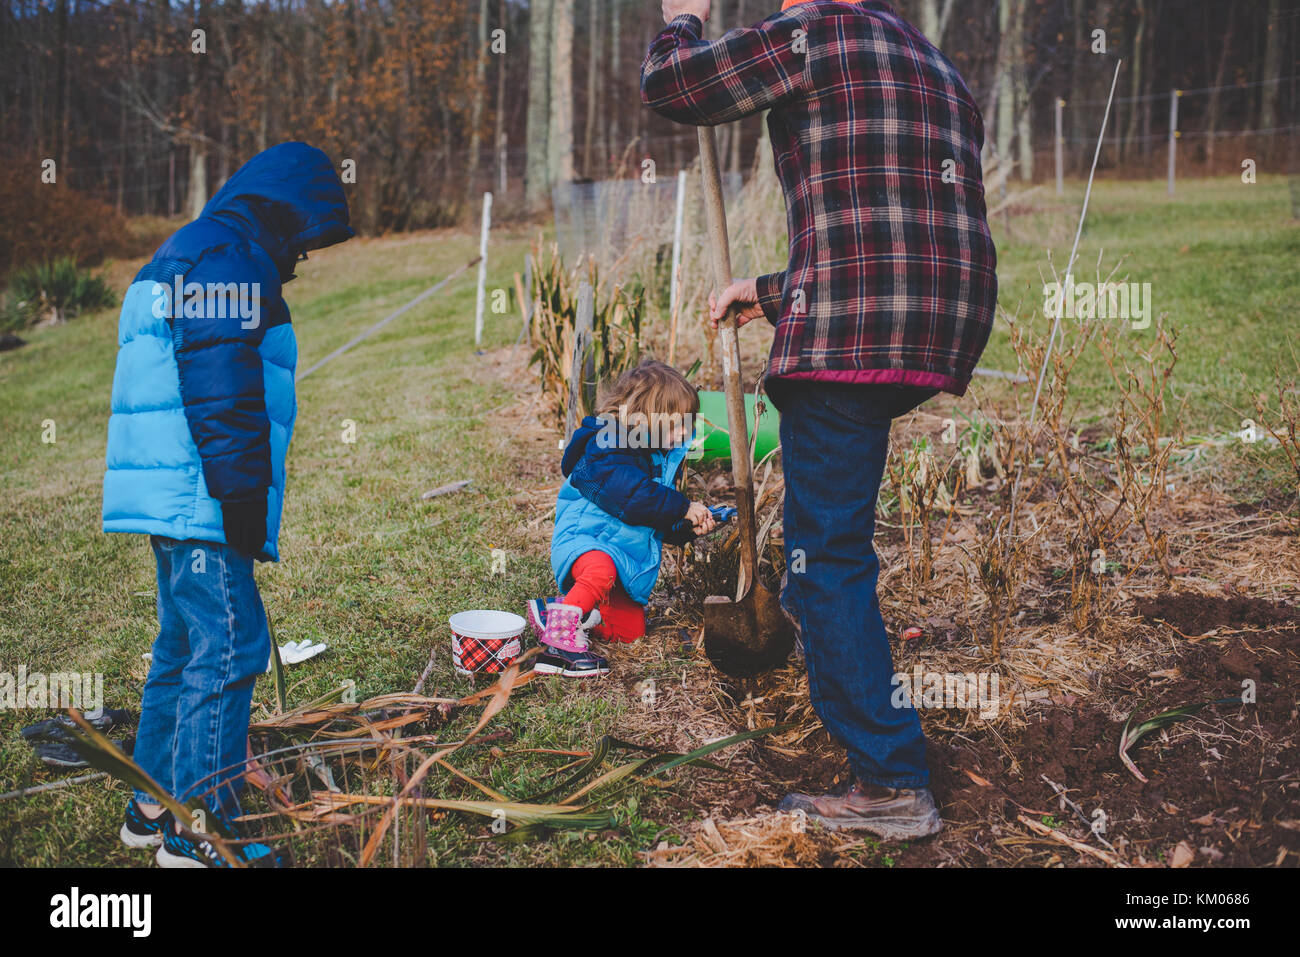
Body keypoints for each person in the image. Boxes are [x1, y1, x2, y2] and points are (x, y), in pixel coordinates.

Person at [642, 0, 998, 838]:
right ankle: (862, 708)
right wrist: (768, 295)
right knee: (830, 541)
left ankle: (890, 780)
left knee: (824, 555)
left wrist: (684, 21)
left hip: (854, 332)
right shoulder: (928, 59)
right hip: (934, 323)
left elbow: (677, 86)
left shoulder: (815, 31)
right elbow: (883, 217)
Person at [103, 142, 354, 866]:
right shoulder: (226, 257)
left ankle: (150, 804)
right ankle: (201, 830)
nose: (302, 260)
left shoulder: (200, 248)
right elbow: (222, 388)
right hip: (202, 493)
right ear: (286, 212)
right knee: (231, 644)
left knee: (182, 646)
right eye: (305, 240)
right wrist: (241, 498)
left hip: (176, 495)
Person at [528, 360, 717, 677]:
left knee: (629, 632)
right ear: (643, 419)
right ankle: (559, 646)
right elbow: (633, 498)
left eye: (689, 422)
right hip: (587, 541)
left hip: (621, 554)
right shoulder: (609, 446)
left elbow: (651, 513)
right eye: (677, 423)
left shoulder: (657, 456)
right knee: (599, 569)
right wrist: (681, 505)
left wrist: (685, 527)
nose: (687, 432)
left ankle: (558, 611)